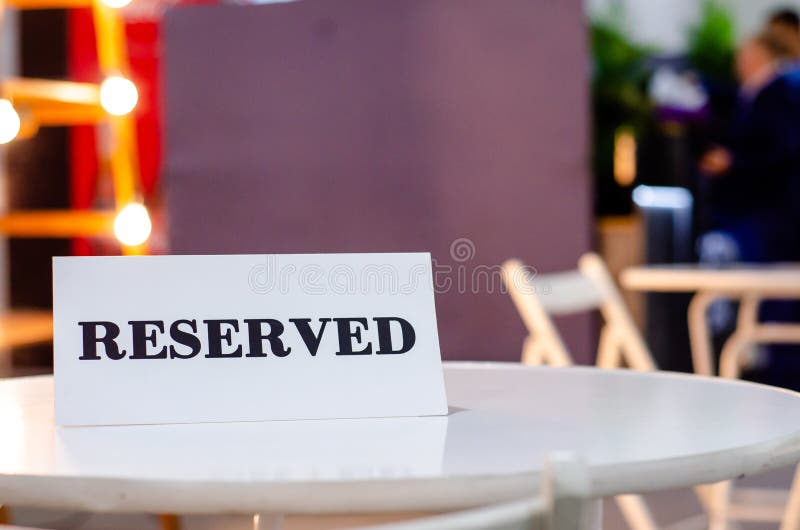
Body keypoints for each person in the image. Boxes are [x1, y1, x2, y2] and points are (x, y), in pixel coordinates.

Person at [698, 32, 800, 263]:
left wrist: (734, 161)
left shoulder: (780, 91)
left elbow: (783, 150)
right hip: (762, 209)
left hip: (769, 210)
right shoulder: (759, 91)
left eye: (743, 56)